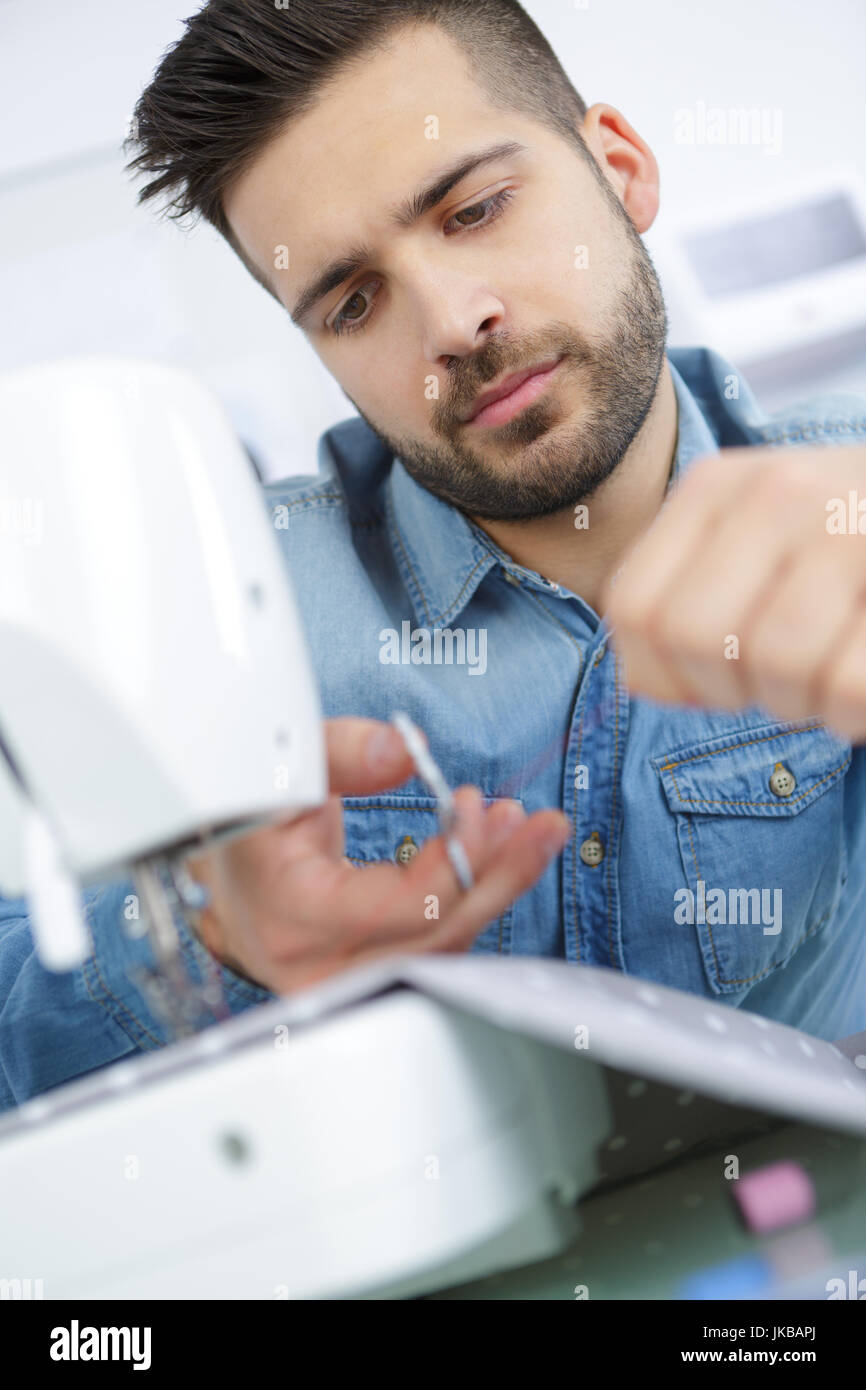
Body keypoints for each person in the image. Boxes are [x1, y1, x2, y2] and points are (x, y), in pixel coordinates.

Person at [2, 0, 866, 1112]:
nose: (452, 323)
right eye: (354, 301)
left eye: (476, 209)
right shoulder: (208, 617)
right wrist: (209, 947)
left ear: (620, 169)